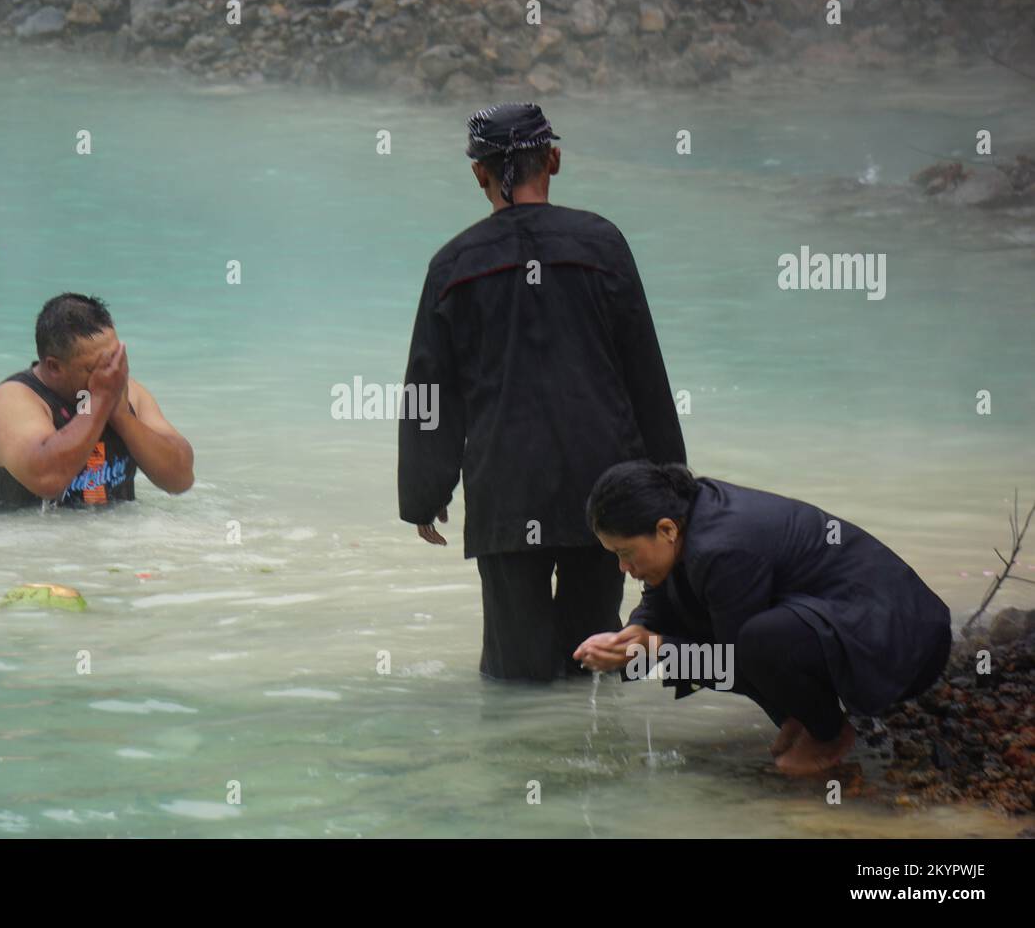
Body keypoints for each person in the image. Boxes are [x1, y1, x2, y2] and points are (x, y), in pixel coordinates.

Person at [398, 102, 686, 681]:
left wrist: (424, 493)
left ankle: (517, 757)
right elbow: (645, 374)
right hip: (603, 481)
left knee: (513, 670)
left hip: (506, 487)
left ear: (478, 174)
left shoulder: (453, 264)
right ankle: (596, 760)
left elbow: (431, 391)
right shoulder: (602, 244)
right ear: (553, 159)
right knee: (595, 654)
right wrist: (672, 486)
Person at [573, 460, 953, 775]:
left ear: (666, 529)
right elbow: (663, 593)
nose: (623, 567)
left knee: (754, 643)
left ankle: (828, 733)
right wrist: (640, 628)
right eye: (614, 556)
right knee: (717, 634)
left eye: (626, 553)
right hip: (864, 619)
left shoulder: (721, 548)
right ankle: (801, 716)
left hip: (909, 645)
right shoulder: (687, 512)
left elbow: (733, 662)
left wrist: (654, 648)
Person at [0, 293, 194, 509]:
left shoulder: (126, 392)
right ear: (54, 367)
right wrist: (100, 401)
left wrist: (122, 417)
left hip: (112, 539)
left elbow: (180, 479)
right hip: (31, 539)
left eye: (113, 360)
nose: (110, 374)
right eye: (94, 368)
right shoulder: (12, 401)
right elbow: (47, 479)